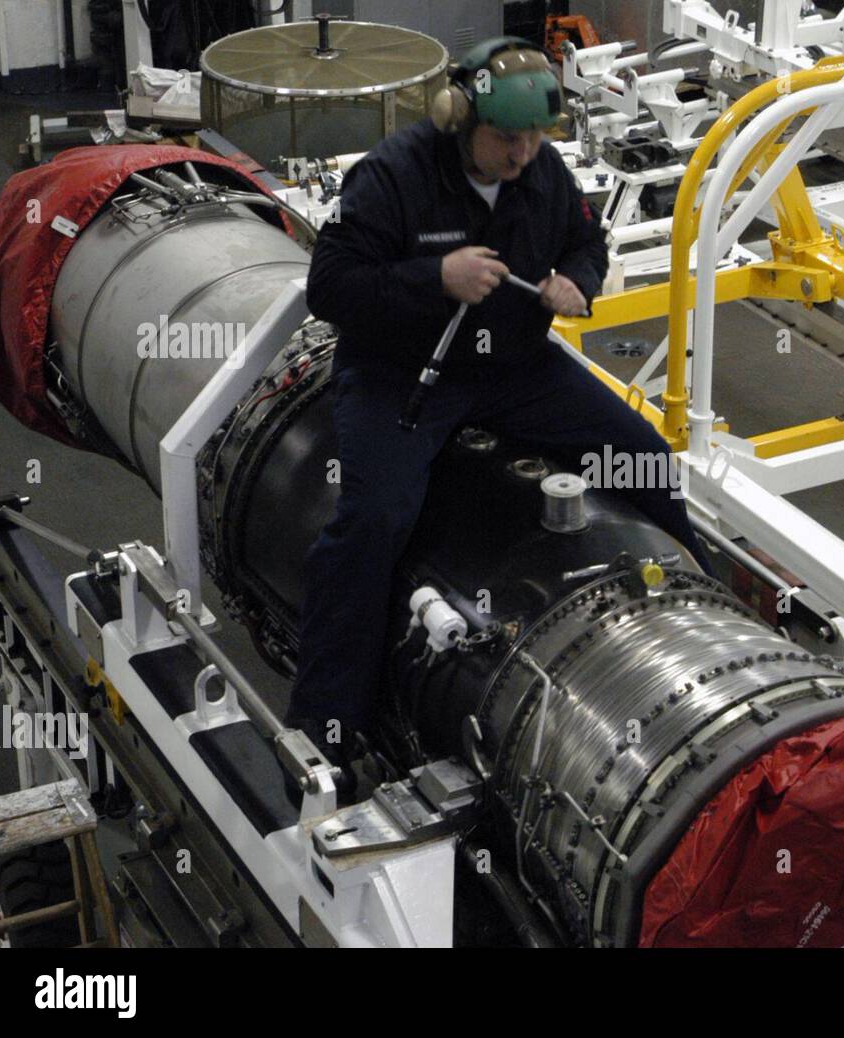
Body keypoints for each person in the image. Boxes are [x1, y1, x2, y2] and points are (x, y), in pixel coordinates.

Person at [285, 37, 713, 781]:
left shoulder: (542, 174)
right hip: (404, 371)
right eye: (507, 139)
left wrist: (576, 283)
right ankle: (323, 728)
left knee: (643, 455)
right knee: (374, 523)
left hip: (513, 364)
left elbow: (588, 243)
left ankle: (709, 603)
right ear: (457, 119)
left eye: (535, 137)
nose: (522, 155)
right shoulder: (394, 176)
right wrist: (434, 277)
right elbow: (332, 289)